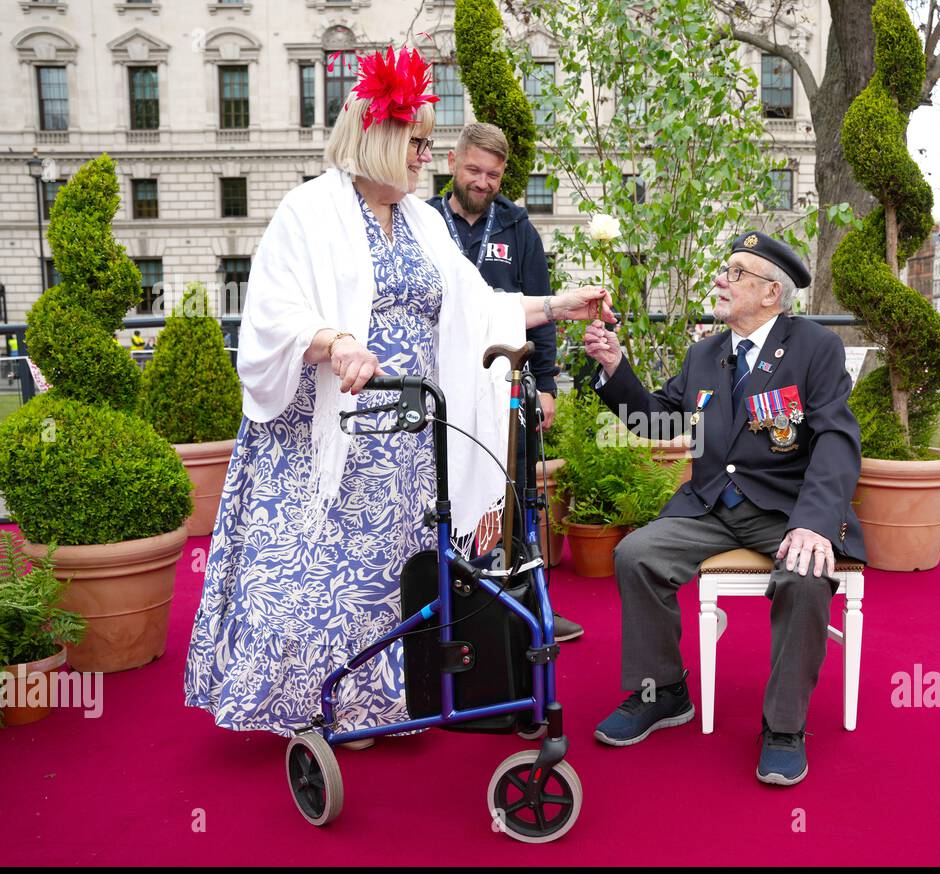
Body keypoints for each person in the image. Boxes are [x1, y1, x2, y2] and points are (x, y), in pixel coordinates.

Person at [184, 46, 611, 745]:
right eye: (415, 144)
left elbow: (478, 308)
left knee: (391, 577)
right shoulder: (309, 211)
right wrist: (333, 341)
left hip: (411, 436)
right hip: (329, 435)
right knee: (320, 579)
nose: (426, 158)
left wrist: (562, 305)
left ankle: (380, 706)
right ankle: (310, 709)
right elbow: (270, 311)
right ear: (379, 140)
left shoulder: (422, 222)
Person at [583, 231, 866, 786]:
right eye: (726, 269)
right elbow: (654, 421)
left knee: (807, 576)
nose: (721, 279)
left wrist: (813, 522)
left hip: (787, 509)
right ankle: (662, 691)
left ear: (770, 293)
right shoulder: (705, 354)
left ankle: (784, 726)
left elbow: (836, 438)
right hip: (711, 505)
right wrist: (615, 369)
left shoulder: (813, 348)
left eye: (735, 272)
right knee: (636, 555)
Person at [426, 122, 583, 642]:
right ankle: (439, 601)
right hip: (441, 387)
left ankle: (525, 603)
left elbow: (543, 310)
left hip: (507, 387)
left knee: (516, 491)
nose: (483, 181)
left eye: (493, 174)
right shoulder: (421, 221)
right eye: (473, 170)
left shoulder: (519, 227)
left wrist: (547, 385)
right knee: (438, 491)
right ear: (452, 162)